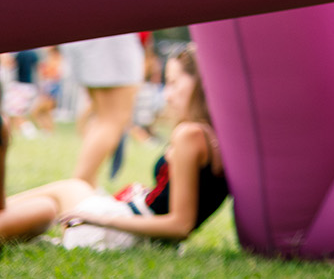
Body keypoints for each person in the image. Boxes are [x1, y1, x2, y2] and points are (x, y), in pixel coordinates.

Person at [0, 45, 228, 248]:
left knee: (52, 202)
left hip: (123, 234)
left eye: (174, 83)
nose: (167, 95)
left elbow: (180, 226)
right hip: (132, 228)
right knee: (68, 189)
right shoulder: (217, 137)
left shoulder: (191, 134)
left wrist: (98, 218)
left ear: (200, 83)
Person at [59, 33, 144, 185]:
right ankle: (79, 186)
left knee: (102, 117)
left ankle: (88, 186)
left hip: (85, 32)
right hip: (109, 36)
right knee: (113, 119)